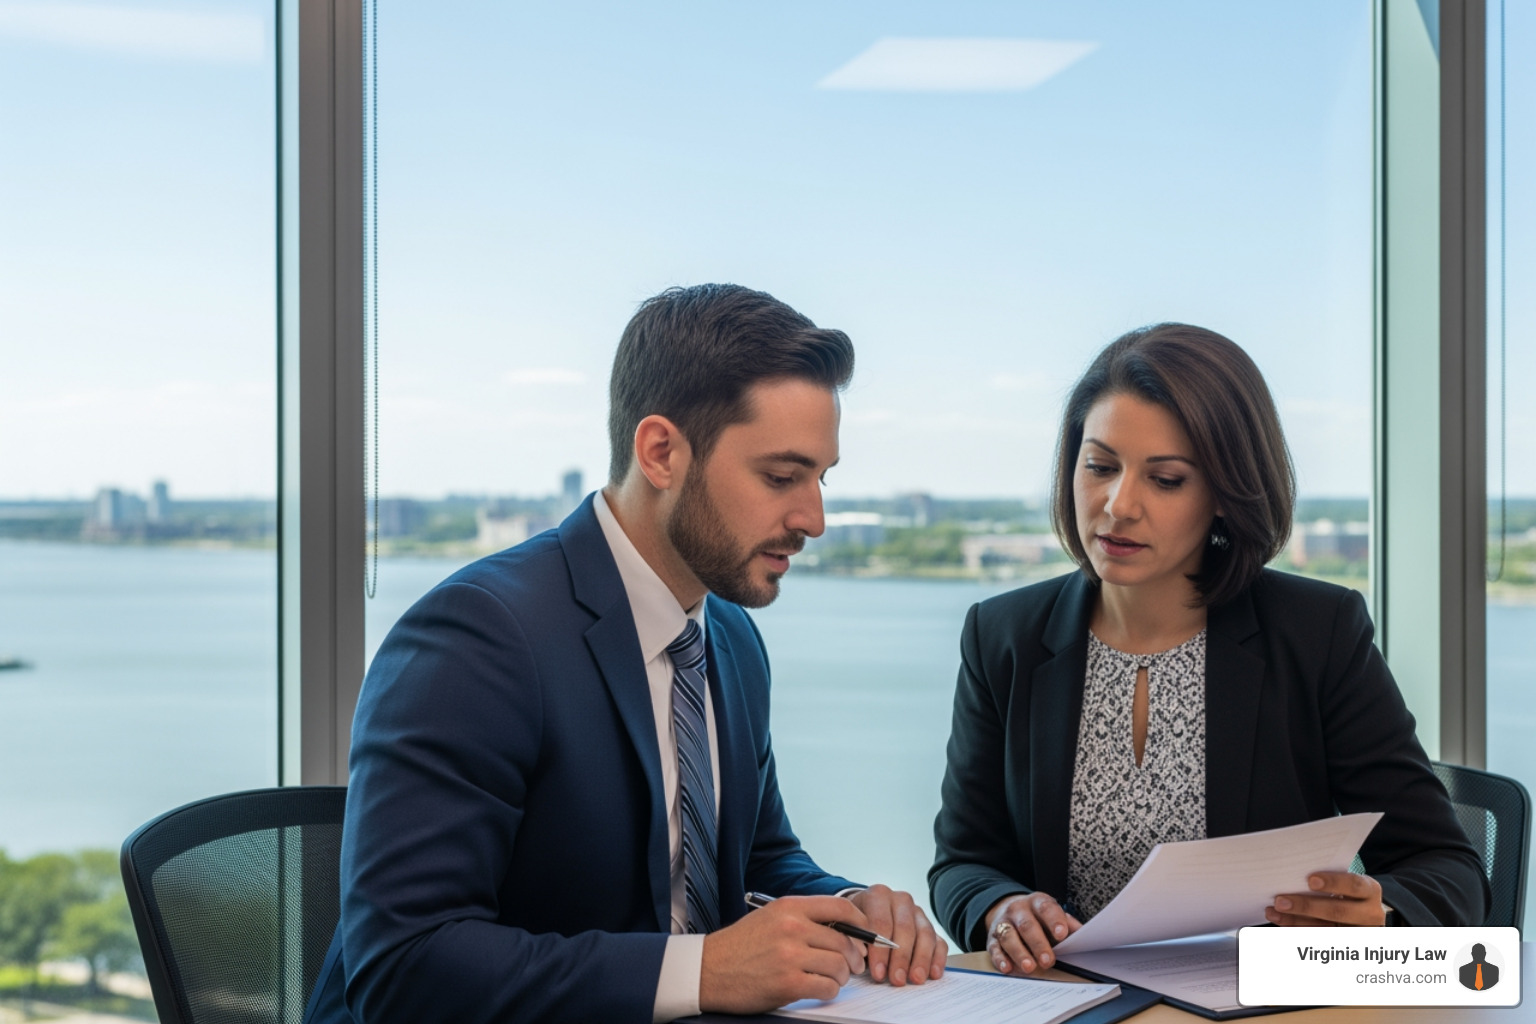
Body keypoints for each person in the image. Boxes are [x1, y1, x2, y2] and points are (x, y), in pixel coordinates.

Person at [304, 284, 946, 1024]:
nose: (815, 519)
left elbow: (762, 860)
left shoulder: (729, 636)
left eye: (821, 479)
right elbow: (405, 968)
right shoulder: (480, 637)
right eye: (781, 477)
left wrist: (848, 908)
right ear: (661, 452)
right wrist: (704, 971)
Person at [929, 323, 1488, 977]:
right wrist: (999, 909)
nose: (1118, 505)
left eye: (1165, 479)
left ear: (1224, 495)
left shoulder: (1317, 631)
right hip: (1070, 1003)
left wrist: (1383, 912)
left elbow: (1450, 869)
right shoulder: (1004, 635)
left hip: (1262, 1006)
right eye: (1100, 466)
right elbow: (963, 861)